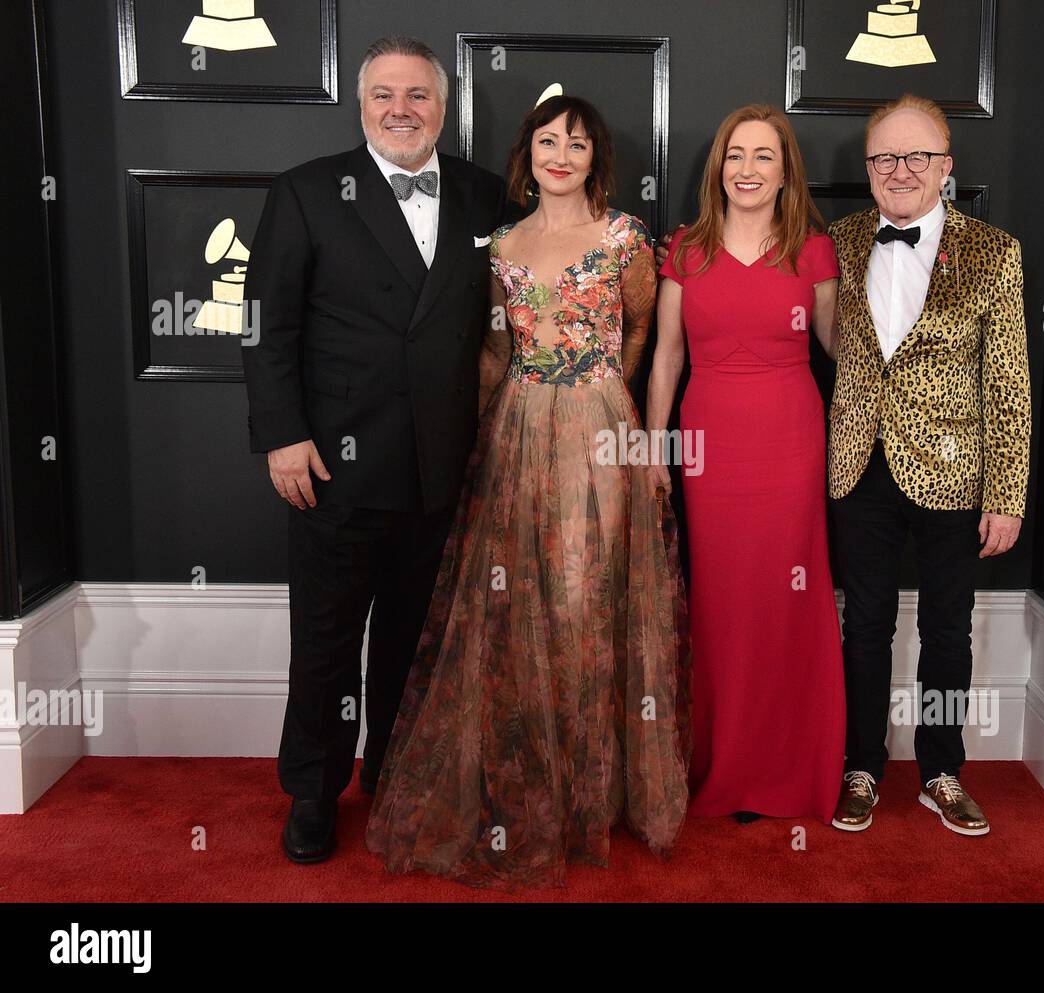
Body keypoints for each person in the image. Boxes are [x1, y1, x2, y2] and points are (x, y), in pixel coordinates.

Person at [364, 95, 690, 888]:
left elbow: (645, 327)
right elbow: (494, 345)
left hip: (601, 427)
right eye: (548, 140)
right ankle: (531, 781)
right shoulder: (502, 244)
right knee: (520, 607)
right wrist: (480, 426)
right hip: (515, 427)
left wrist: (618, 394)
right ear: (528, 152)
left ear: (595, 158)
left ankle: (591, 792)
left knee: (588, 598)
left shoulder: (624, 237)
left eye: (578, 142)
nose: (562, 154)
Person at [241, 36, 508, 864]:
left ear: (444, 106)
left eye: (418, 95)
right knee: (324, 642)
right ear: (361, 105)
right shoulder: (307, 192)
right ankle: (313, 792)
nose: (401, 109)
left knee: (410, 641)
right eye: (385, 94)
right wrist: (282, 434)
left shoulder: (485, 195)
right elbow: (265, 326)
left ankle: (391, 773)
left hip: (443, 470)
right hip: (333, 471)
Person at [827, 93, 1031, 836]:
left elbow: (1009, 383)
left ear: (946, 167)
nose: (900, 170)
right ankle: (860, 767)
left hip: (954, 471)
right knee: (865, 626)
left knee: (949, 629)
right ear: (869, 168)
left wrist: (1006, 493)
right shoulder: (842, 237)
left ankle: (941, 770)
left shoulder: (994, 251)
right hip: (858, 465)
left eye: (917, 156)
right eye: (885, 157)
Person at [648, 105, 845, 824]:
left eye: (765, 156)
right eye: (736, 155)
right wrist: (652, 445)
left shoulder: (813, 251)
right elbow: (667, 354)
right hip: (709, 443)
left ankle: (785, 768)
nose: (749, 169)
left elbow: (838, 350)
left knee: (786, 597)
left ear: (786, 170)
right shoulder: (686, 249)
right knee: (724, 600)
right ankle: (724, 764)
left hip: (791, 439)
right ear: (718, 167)